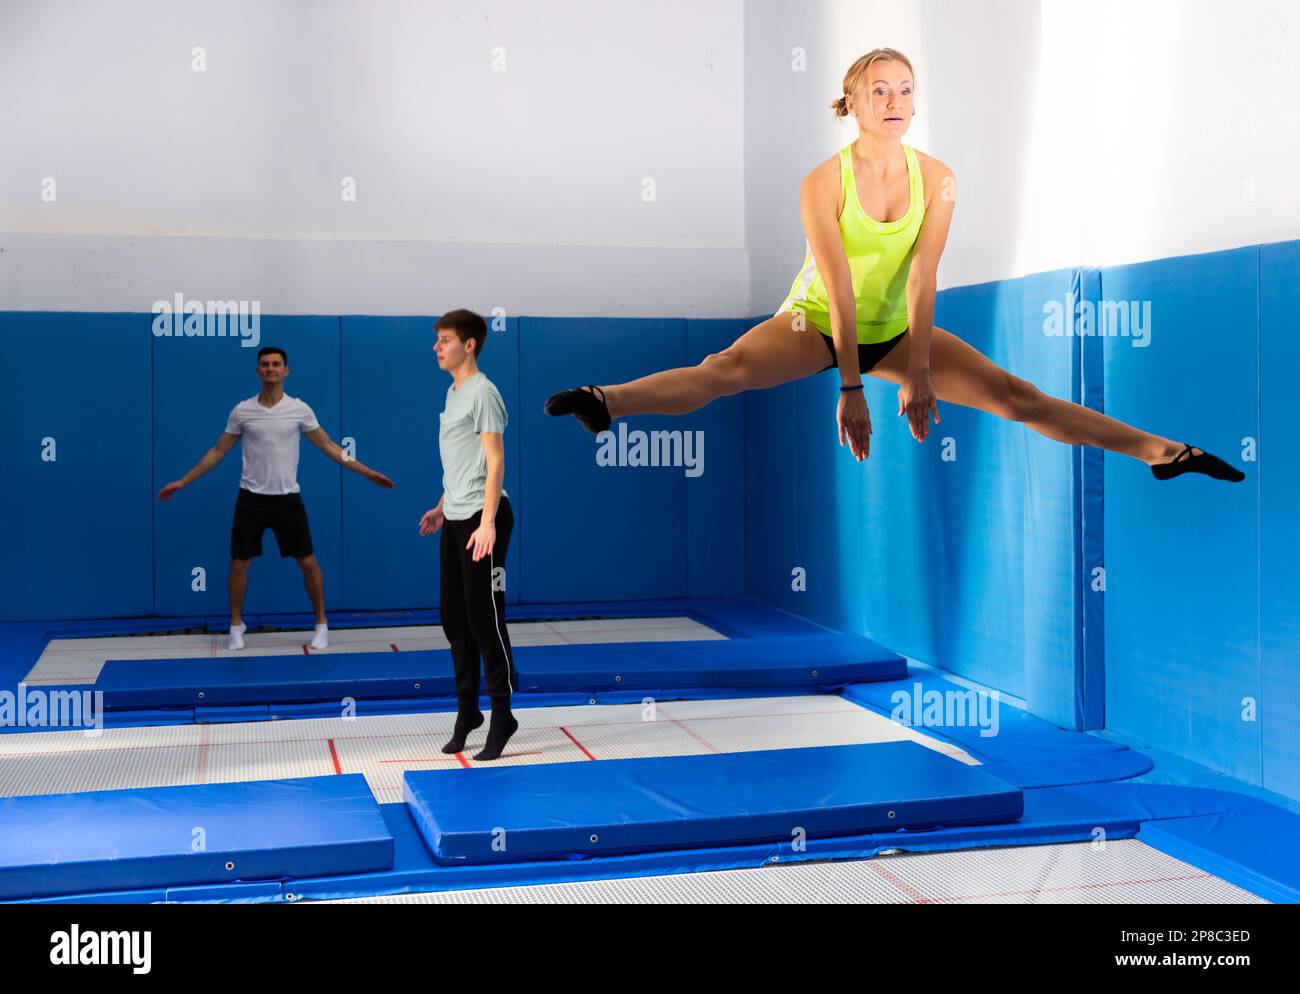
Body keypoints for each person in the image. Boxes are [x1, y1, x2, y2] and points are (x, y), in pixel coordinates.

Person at [544, 47, 1244, 484]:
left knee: (1017, 396)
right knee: (724, 372)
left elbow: (921, 276)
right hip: (816, 321)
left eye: (905, 90)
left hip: (897, 327)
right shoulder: (825, 181)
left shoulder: (936, 177)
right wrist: (851, 387)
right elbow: (840, 285)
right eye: (878, 91)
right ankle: (607, 399)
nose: (894, 103)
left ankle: (1159, 451)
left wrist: (921, 372)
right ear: (851, 103)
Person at [158, 346, 395, 651]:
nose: (271, 369)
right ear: (258, 371)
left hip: (287, 499)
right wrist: (182, 481)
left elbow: (329, 446)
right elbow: (218, 451)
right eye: (265, 365)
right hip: (251, 499)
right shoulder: (242, 411)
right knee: (239, 564)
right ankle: (235, 626)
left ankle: (321, 623)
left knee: (308, 563)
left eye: (276, 364)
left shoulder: (299, 409)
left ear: (286, 371)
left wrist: (367, 472)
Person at [418, 309, 519, 761]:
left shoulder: (484, 393)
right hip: (457, 517)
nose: (437, 347)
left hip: (484, 518)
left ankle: (503, 713)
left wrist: (488, 522)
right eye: (437, 340)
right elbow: (460, 460)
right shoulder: (453, 392)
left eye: (444, 340)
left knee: (485, 620)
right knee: (453, 620)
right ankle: (467, 711)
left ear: (469, 344)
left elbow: (494, 460)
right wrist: (442, 506)